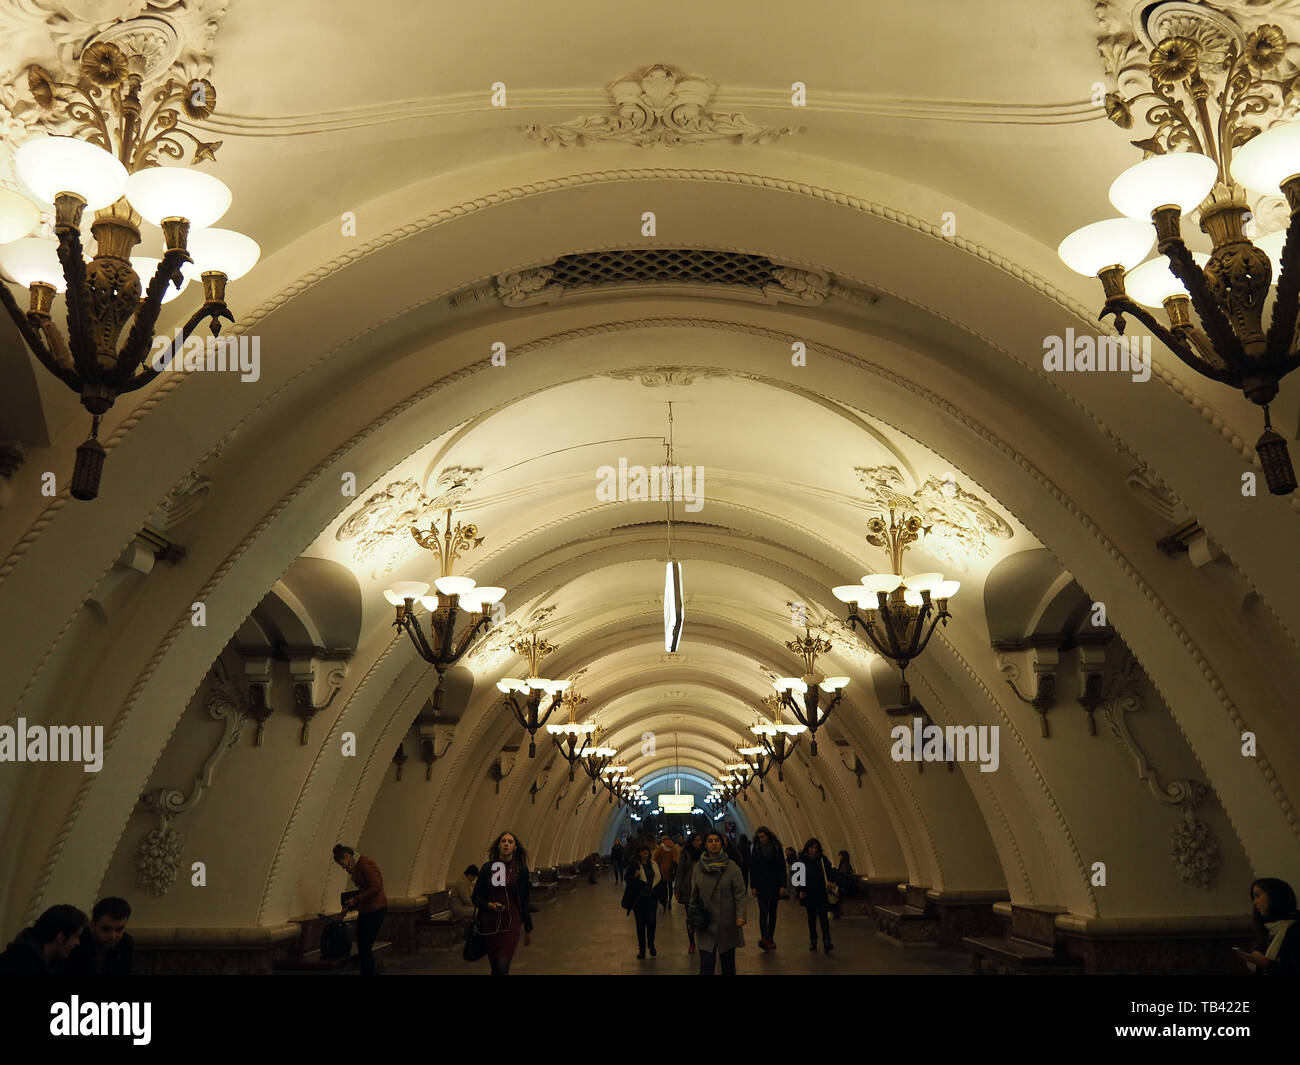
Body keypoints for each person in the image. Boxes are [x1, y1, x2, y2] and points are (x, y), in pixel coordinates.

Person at [471, 831, 533, 975]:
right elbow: (476, 897)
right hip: (491, 925)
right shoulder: (487, 868)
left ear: (515, 847)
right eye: (503, 841)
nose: (506, 844)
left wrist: (528, 927)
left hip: (511, 923)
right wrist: (489, 905)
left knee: (501, 966)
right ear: (498, 845)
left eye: (510, 842)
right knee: (496, 968)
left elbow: (524, 900)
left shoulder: (521, 870)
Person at [691, 829, 748, 975]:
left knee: (728, 964)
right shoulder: (698, 867)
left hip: (726, 923)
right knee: (706, 964)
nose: (714, 844)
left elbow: (740, 894)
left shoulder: (732, 868)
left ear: (722, 844)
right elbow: (694, 895)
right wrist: (691, 918)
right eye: (710, 841)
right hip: (706, 923)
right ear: (705, 845)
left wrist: (741, 915)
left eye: (717, 841)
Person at [333, 844, 388, 976]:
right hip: (368, 910)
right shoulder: (357, 865)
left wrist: (355, 900)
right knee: (363, 945)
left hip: (375, 909)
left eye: (342, 864)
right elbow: (364, 889)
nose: (343, 868)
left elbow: (375, 887)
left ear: (347, 856)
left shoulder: (364, 863)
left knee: (365, 946)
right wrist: (348, 908)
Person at [1236, 877, 1300, 975]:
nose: (1254, 902)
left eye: (1258, 895)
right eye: (1253, 898)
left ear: (1274, 896)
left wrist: (1263, 962)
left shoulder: (1295, 930)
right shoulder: (1268, 929)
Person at [0, 904, 88, 974]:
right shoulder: (21, 964)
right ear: (60, 938)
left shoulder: (49, 962)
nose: (77, 942)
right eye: (76, 937)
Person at [62, 896, 133, 976]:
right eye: (106, 929)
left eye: (119, 929)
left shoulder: (126, 943)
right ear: (92, 926)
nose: (113, 936)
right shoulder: (77, 942)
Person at [749, 825, 788, 950]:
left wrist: (783, 885)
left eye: (763, 837)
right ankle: (764, 936)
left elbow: (782, 868)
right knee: (763, 912)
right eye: (759, 837)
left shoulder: (777, 849)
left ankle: (770, 936)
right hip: (761, 885)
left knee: (772, 913)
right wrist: (753, 886)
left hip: (774, 885)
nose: (762, 839)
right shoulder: (756, 849)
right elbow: (753, 869)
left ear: (768, 836)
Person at [795, 837, 835, 953]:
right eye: (812, 848)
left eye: (816, 848)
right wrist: (801, 890)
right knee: (811, 918)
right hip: (809, 893)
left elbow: (830, 872)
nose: (814, 850)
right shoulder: (802, 860)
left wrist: (830, 881)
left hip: (821, 892)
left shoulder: (822, 859)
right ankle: (813, 939)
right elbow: (798, 877)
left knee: (823, 917)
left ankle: (827, 939)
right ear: (808, 848)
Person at [621, 843, 661, 958]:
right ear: (638, 853)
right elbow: (627, 879)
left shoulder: (653, 864)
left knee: (652, 923)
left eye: (646, 851)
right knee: (640, 925)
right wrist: (635, 876)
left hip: (651, 898)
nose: (645, 853)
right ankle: (642, 949)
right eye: (642, 851)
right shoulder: (634, 866)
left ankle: (651, 944)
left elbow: (659, 879)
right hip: (639, 900)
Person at [674, 833, 705, 953]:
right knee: (691, 918)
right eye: (696, 840)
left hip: (703, 889)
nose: (699, 842)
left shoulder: (704, 854)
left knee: (704, 916)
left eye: (700, 840)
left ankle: (704, 940)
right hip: (689, 890)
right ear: (691, 841)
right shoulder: (686, 854)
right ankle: (692, 942)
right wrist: (677, 889)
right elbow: (680, 872)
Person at [652, 834, 680, 912]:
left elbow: (655, 858)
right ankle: (670, 901)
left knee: (664, 886)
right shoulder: (673, 848)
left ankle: (664, 900)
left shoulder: (660, 848)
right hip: (670, 870)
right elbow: (675, 859)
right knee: (670, 886)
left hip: (662, 870)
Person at [449, 865, 478, 932]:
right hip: (458, 907)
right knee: (478, 912)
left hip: (464, 906)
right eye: (474, 877)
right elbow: (466, 900)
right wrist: (475, 905)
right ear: (470, 875)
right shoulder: (462, 883)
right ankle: (472, 932)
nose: (474, 879)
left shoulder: (467, 882)